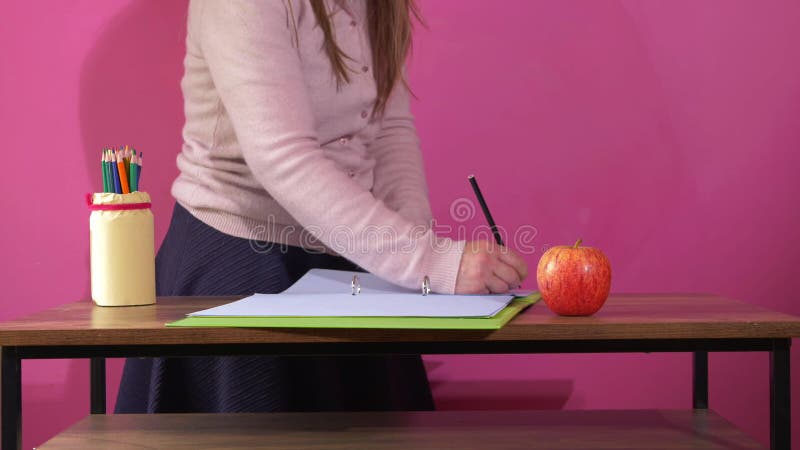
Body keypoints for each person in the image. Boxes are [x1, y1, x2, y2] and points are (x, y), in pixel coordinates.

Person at [115, 0, 528, 414]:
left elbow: (389, 132)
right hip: (241, 260)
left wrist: (415, 262)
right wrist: (434, 262)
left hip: (350, 249)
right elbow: (283, 156)